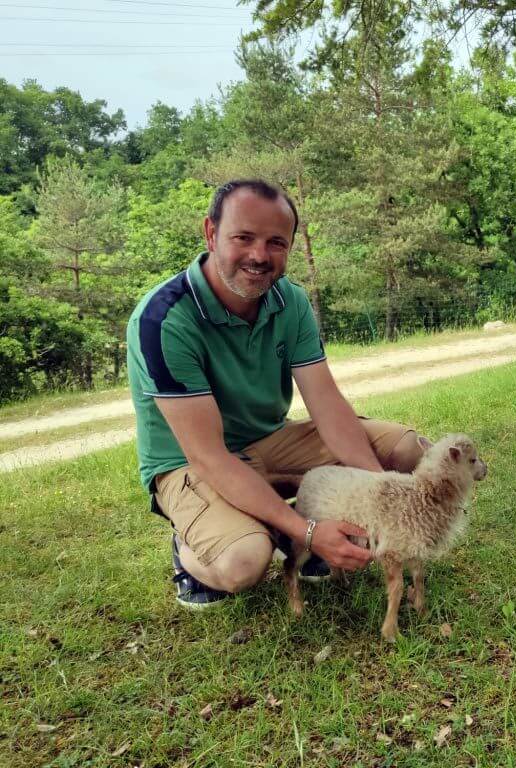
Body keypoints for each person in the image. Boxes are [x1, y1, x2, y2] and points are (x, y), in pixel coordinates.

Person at [126, 179, 426, 609]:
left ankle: (286, 521)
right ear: (211, 233)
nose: (259, 256)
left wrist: (381, 492)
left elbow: (328, 407)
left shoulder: (291, 302)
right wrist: (308, 533)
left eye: (276, 242)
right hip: (190, 463)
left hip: (269, 439)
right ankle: (195, 549)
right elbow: (209, 457)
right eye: (243, 238)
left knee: (406, 450)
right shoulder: (164, 319)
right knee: (244, 560)